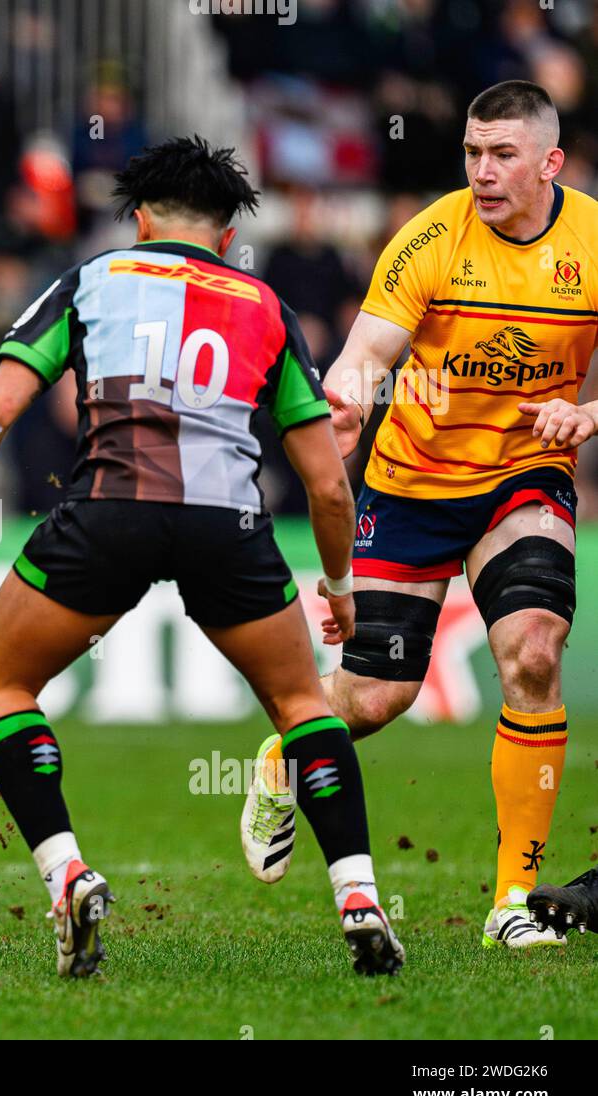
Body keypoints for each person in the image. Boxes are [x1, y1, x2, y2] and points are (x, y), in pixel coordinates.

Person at [0, 136, 403, 977]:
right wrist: (338, 586)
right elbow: (329, 488)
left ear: (140, 218)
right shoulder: (268, 307)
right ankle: (360, 896)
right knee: (305, 705)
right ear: (227, 236)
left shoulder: (92, 281)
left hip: (108, 515)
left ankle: (67, 873)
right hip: (226, 526)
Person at [239, 81, 598, 951]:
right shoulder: (434, 236)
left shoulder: (593, 238)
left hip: (523, 477)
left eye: (502, 154)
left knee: (535, 648)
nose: (482, 171)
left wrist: (588, 417)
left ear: (550, 162)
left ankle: (513, 899)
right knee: (374, 698)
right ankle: (284, 755)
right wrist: (348, 405)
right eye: (472, 152)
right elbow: (365, 354)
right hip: (412, 484)